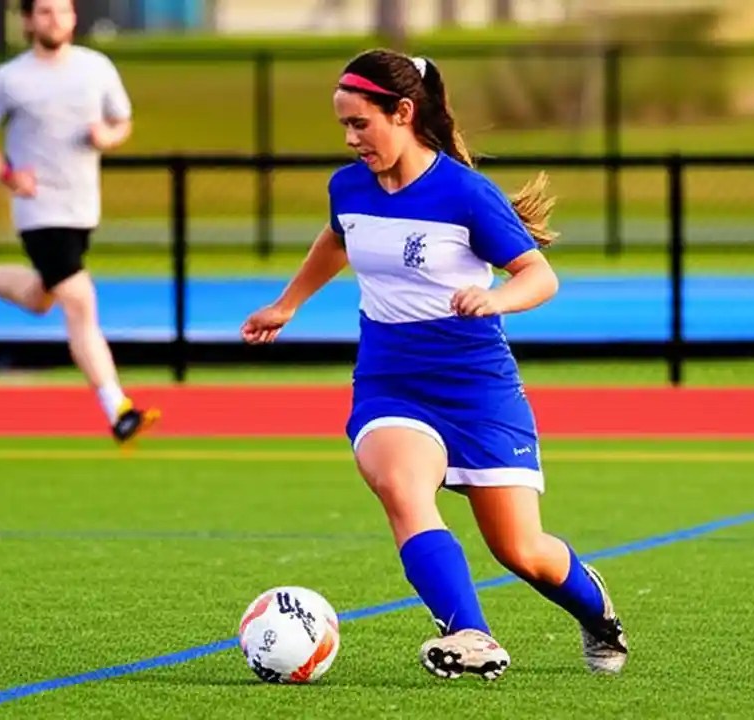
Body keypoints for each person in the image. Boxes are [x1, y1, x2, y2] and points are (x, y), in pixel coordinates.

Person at [240, 49, 628, 680]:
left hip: (478, 389)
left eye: (360, 123)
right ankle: (470, 633)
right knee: (402, 487)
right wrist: (287, 305)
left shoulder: (466, 193)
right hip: (390, 381)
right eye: (343, 125)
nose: (350, 139)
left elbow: (540, 276)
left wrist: (496, 296)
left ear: (403, 111)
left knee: (521, 550)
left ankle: (597, 612)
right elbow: (337, 238)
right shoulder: (348, 186)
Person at [0, 0, 159, 445]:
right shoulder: (10, 78)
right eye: (45, 12)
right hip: (39, 211)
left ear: (74, 18)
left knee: (40, 298)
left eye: (63, 11)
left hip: (82, 207)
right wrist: (10, 175)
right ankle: (119, 409)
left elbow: (121, 121)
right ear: (28, 20)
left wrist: (106, 137)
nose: (56, 20)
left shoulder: (96, 67)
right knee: (80, 302)